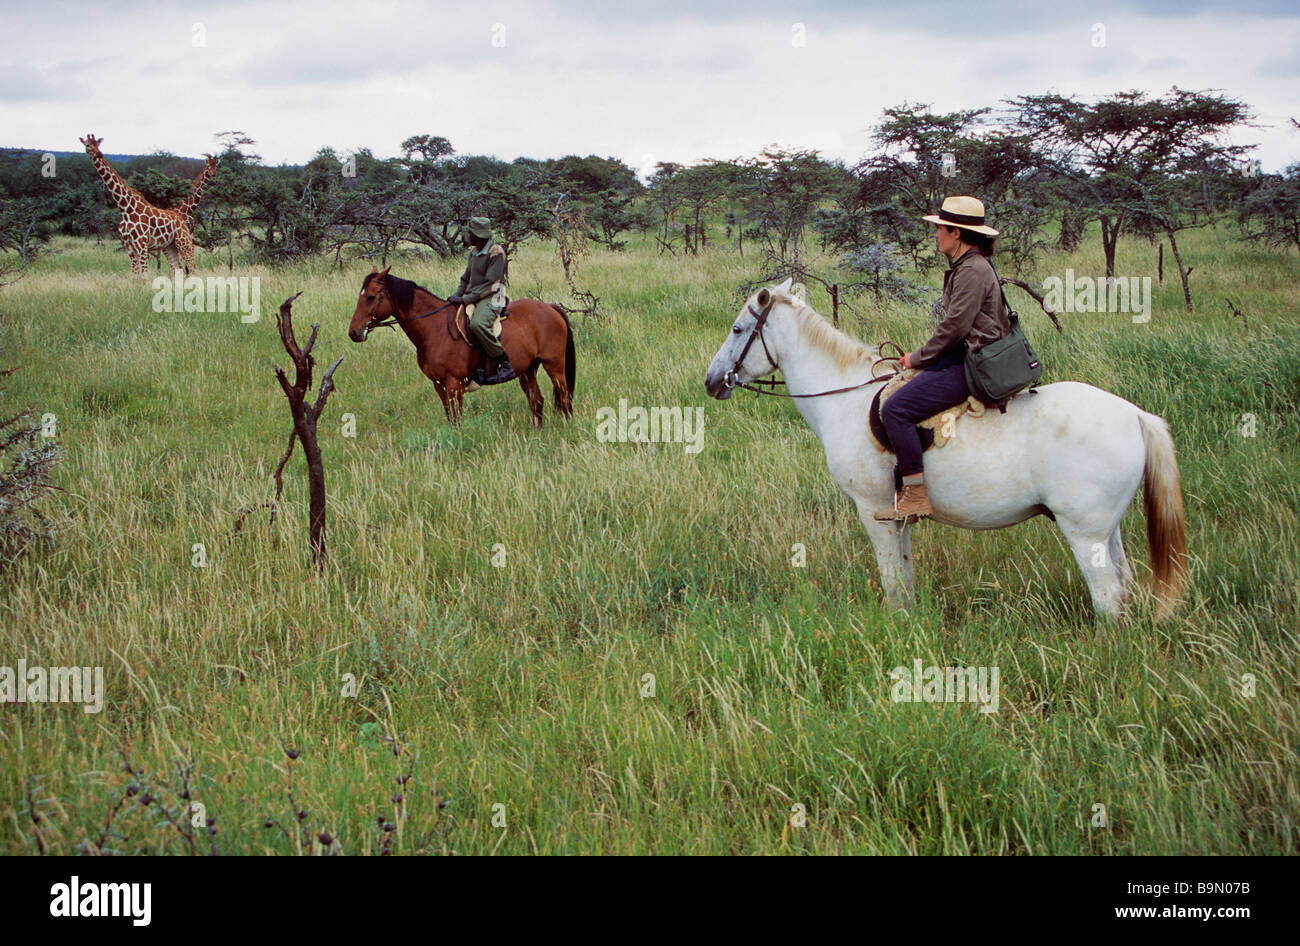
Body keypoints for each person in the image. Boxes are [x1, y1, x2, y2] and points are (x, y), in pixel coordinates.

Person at [875, 196, 1010, 522]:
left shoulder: (971, 270)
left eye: (940, 229)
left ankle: (916, 496)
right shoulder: (970, 266)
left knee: (895, 408)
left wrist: (918, 358)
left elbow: (955, 326)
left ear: (957, 233)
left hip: (975, 363)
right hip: (968, 356)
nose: (936, 234)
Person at [449, 216, 515, 385]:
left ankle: (503, 361)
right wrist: (457, 296)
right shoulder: (474, 252)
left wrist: (466, 298)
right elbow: (465, 279)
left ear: (477, 235)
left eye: (470, 233)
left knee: (477, 324)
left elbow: (492, 284)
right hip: (474, 295)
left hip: (493, 296)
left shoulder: (496, 252)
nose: (467, 236)